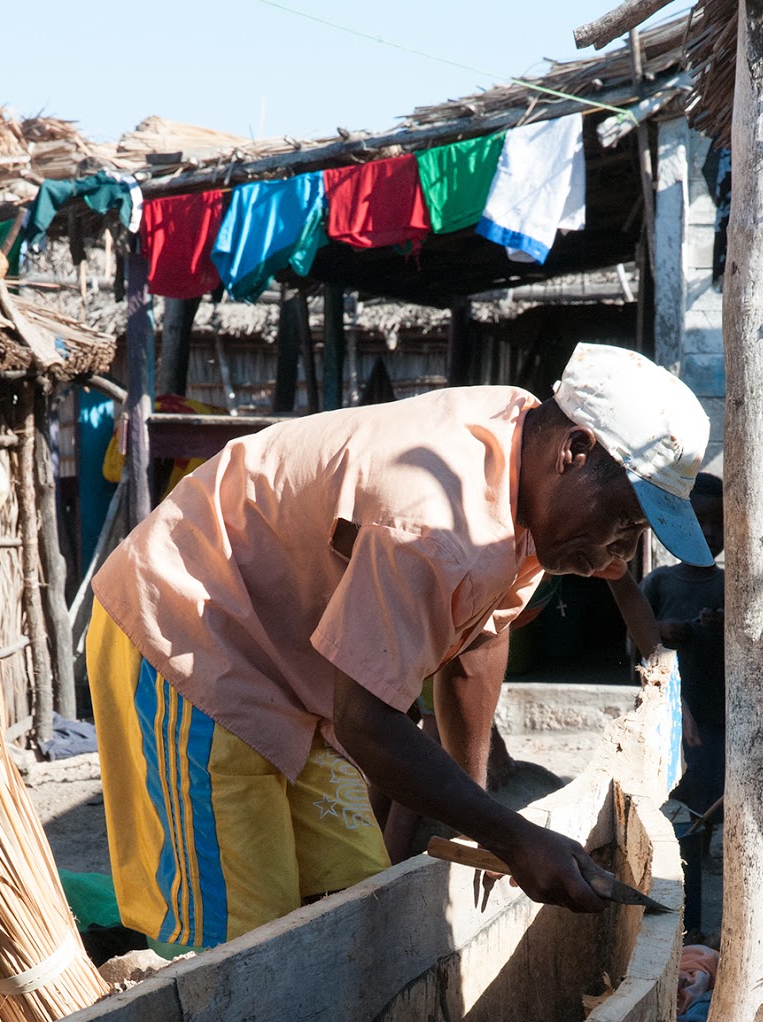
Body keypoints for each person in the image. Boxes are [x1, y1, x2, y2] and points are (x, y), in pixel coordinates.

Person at [86, 343, 713, 952]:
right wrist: (515, 838)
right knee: (232, 949)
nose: (624, 553)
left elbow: (481, 641)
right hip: (187, 630)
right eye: (627, 523)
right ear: (576, 450)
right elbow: (368, 725)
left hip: (289, 674)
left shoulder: (520, 449)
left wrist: (480, 811)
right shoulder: (435, 520)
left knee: (352, 912)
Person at [640, 472, 725, 935]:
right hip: (674, 727)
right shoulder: (657, 584)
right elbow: (636, 653)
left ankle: (703, 931)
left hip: (721, 726)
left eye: (718, 524)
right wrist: (662, 633)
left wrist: (726, 626)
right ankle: (688, 930)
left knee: (709, 819)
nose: (709, 533)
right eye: (699, 521)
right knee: (683, 825)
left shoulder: (732, 588)